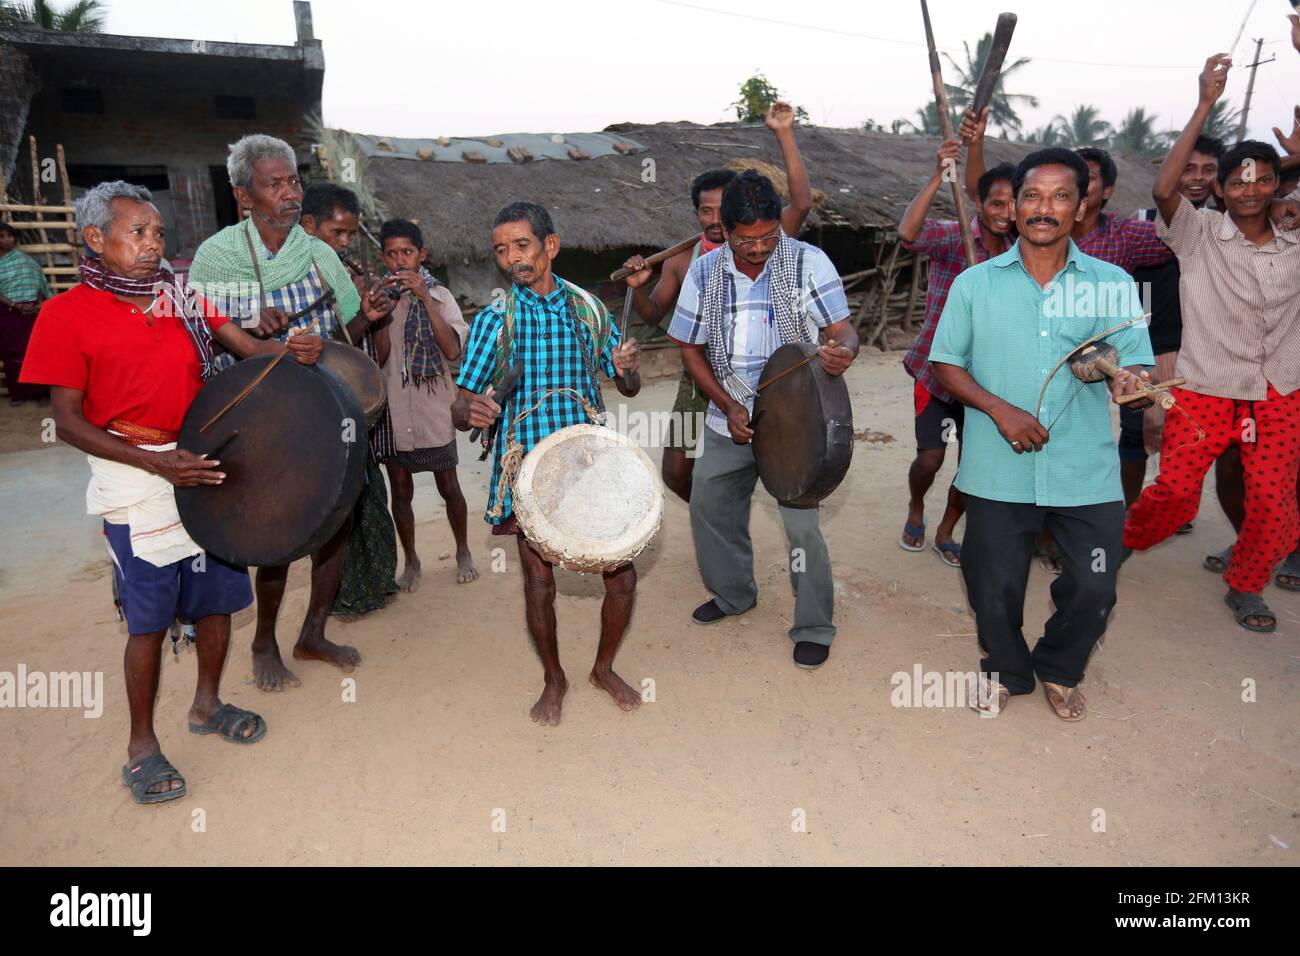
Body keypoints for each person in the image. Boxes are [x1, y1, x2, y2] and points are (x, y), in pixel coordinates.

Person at [18, 180, 323, 803]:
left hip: (200, 461)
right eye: (138, 232)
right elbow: (70, 423)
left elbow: (247, 348)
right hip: (134, 472)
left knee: (216, 598)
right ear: (96, 239)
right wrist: (156, 467)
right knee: (149, 621)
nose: (153, 245)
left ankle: (206, 705)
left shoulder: (180, 297)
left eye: (158, 233)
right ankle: (141, 747)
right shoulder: (64, 314)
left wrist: (292, 352)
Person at [930, 148, 1155, 720]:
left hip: (1085, 467)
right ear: (1014, 208)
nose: (1043, 208)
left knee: (1094, 584)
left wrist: (1134, 383)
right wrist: (1000, 411)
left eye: (1060, 197)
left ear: (1082, 207)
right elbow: (946, 365)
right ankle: (1007, 669)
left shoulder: (1111, 285)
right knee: (993, 584)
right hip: (997, 464)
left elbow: (1136, 371)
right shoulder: (975, 284)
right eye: (1032, 195)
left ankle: (1059, 665)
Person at [189, 134, 391, 690]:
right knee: (280, 531)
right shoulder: (218, 257)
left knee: (333, 522)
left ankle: (314, 633)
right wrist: (262, 333)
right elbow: (208, 341)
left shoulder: (319, 253)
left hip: (331, 413)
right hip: (265, 419)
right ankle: (263, 641)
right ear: (243, 196)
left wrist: (364, 321)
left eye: (293, 181)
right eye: (273, 184)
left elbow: (344, 341)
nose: (289, 193)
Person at [1124, 55, 1300, 634]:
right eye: (1238, 180)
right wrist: (1205, 102)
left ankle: (1245, 584)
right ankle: (1119, 541)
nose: (1250, 189)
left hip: (1278, 390)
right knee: (1175, 494)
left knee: (1276, 508)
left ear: (1278, 186)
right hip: (1204, 387)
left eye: (1264, 179)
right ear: (1221, 190)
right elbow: (1163, 186)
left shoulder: (1296, 244)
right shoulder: (1199, 236)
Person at [453, 202, 642, 726]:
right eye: (501, 249)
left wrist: (628, 369)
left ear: (549, 246)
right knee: (540, 584)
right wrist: (471, 409)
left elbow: (626, 384)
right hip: (527, 470)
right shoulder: (494, 322)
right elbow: (459, 406)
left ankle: (603, 668)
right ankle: (553, 677)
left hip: (588, 465)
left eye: (522, 245)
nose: (511, 258)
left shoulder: (587, 310)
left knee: (621, 579)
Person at [667, 170, 858, 670]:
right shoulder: (704, 272)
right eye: (746, 240)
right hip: (725, 411)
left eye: (769, 237)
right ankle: (734, 595)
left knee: (802, 527)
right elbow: (689, 347)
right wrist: (728, 405)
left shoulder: (807, 261)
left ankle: (814, 624)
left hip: (795, 419)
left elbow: (843, 329)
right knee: (710, 505)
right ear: (724, 231)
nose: (758, 248)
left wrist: (843, 352)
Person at [619, 102, 813, 502]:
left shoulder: (766, 244)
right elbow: (654, 314)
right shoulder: (681, 260)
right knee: (676, 472)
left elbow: (802, 203)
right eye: (703, 210)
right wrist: (639, 286)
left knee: (782, 460)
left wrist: (785, 135)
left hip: (764, 374)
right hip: (701, 380)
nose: (711, 218)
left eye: (718, 209)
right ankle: (717, 512)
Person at [896, 133, 1015, 567]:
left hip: (987, 379)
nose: (1005, 213)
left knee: (972, 467)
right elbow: (908, 232)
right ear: (979, 203)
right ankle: (915, 506)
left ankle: (947, 529)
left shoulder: (1022, 254)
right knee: (930, 457)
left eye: (1013, 204)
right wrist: (936, 174)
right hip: (938, 372)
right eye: (996, 203)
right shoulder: (953, 239)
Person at [298, 182, 401, 616]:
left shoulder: (342, 272)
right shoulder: (294, 278)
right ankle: (340, 597)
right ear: (307, 226)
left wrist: (368, 316)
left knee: (367, 493)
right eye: (336, 233)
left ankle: (373, 586)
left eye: (348, 235)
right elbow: (316, 350)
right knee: (331, 504)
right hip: (312, 407)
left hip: (349, 402)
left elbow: (343, 342)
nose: (343, 243)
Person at [371, 218, 476, 589]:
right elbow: (380, 357)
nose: (400, 261)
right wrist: (381, 313)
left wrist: (424, 299)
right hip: (395, 412)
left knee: (449, 486)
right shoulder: (379, 299)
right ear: (383, 257)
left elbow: (451, 349)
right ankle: (412, 561)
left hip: (434, 409)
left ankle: (462, 549)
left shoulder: (442, 296)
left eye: (407, 253)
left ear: (422, 255)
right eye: (392, 253)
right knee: (400, 491)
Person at [1122, 136, 1224, 515]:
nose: (1197, 178)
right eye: (1187, 168)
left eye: (1208, 170)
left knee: (1189, 438)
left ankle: (1174, 509)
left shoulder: (1226, 225)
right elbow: (1133, 285)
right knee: (1134, 438)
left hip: (1204, 352)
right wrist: (1135, 341)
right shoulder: (1142, 221)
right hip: (1148, 348)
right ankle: (1127, 513)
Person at [0, 220, 53, 405]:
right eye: (2, 236)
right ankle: (19, 394)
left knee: (38, 352)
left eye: (10, 235)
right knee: (13, 354)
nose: (7, 239)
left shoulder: (26, 260)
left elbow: (41, 284)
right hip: (8, 312)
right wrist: (16, 305)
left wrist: (39, 305)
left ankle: (42, 394)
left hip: (33, 311)